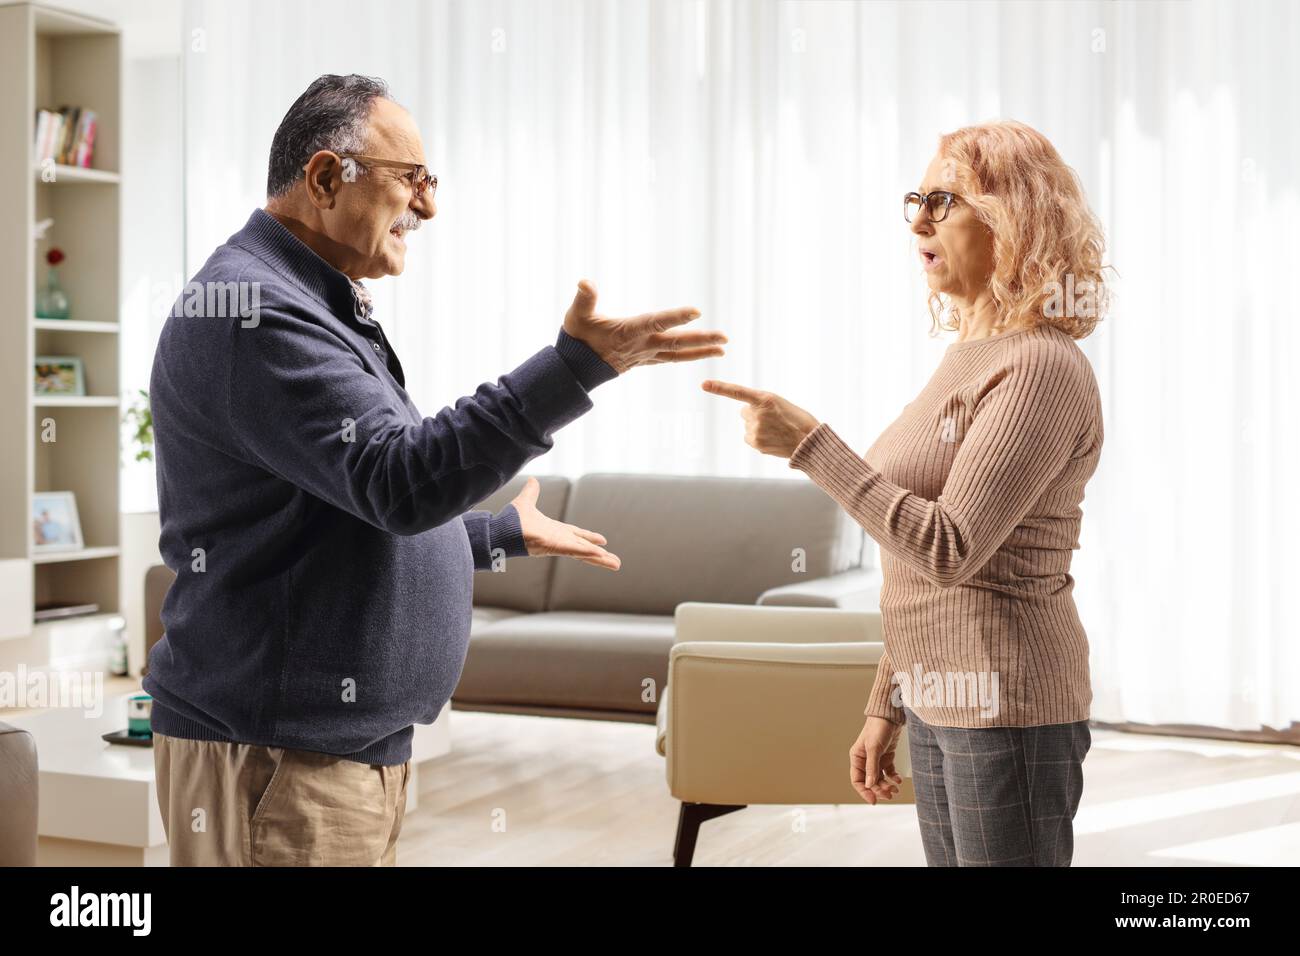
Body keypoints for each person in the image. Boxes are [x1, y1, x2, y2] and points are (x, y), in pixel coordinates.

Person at [145, 74, 726, 866]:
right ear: (325, 179)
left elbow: (348, 504)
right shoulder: (253, 311)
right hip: (277, 755)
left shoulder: (307, 301)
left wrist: (495, 534)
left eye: (431, 181)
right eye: (412, 180)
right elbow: (401, 480)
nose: (429, 206)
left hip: (329, 753)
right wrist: (573, 369)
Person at [704, 120, 1107, 866]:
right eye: (917, 198)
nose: (918, 218)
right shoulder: (968, 355)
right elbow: (910, 562)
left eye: (945, 200)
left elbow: (949, 547)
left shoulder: (1041, 368)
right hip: (939, 700)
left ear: (1014, 219)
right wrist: (886, 702)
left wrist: (809, 445)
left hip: (1007, 702)